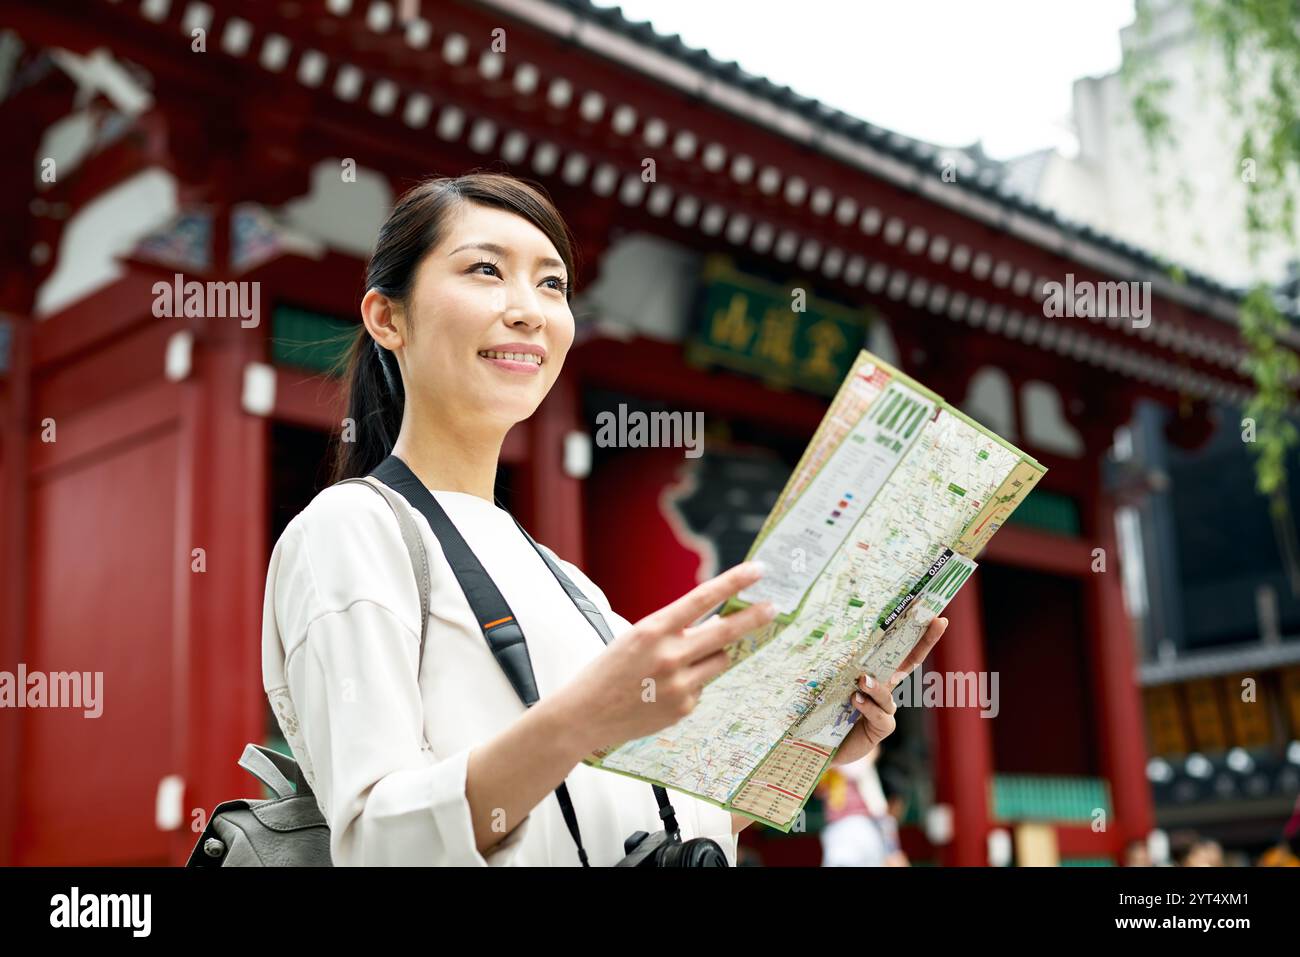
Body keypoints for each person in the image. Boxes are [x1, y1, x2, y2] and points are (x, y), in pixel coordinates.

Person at [260, 171, 950, 866]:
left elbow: (652, 821)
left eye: (551, 284)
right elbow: (381, 840)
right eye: (485, 270)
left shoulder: (571, 584)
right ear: (388, 318)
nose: (528, 309)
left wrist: (814, 741)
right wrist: (583, 716)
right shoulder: (349, 530)